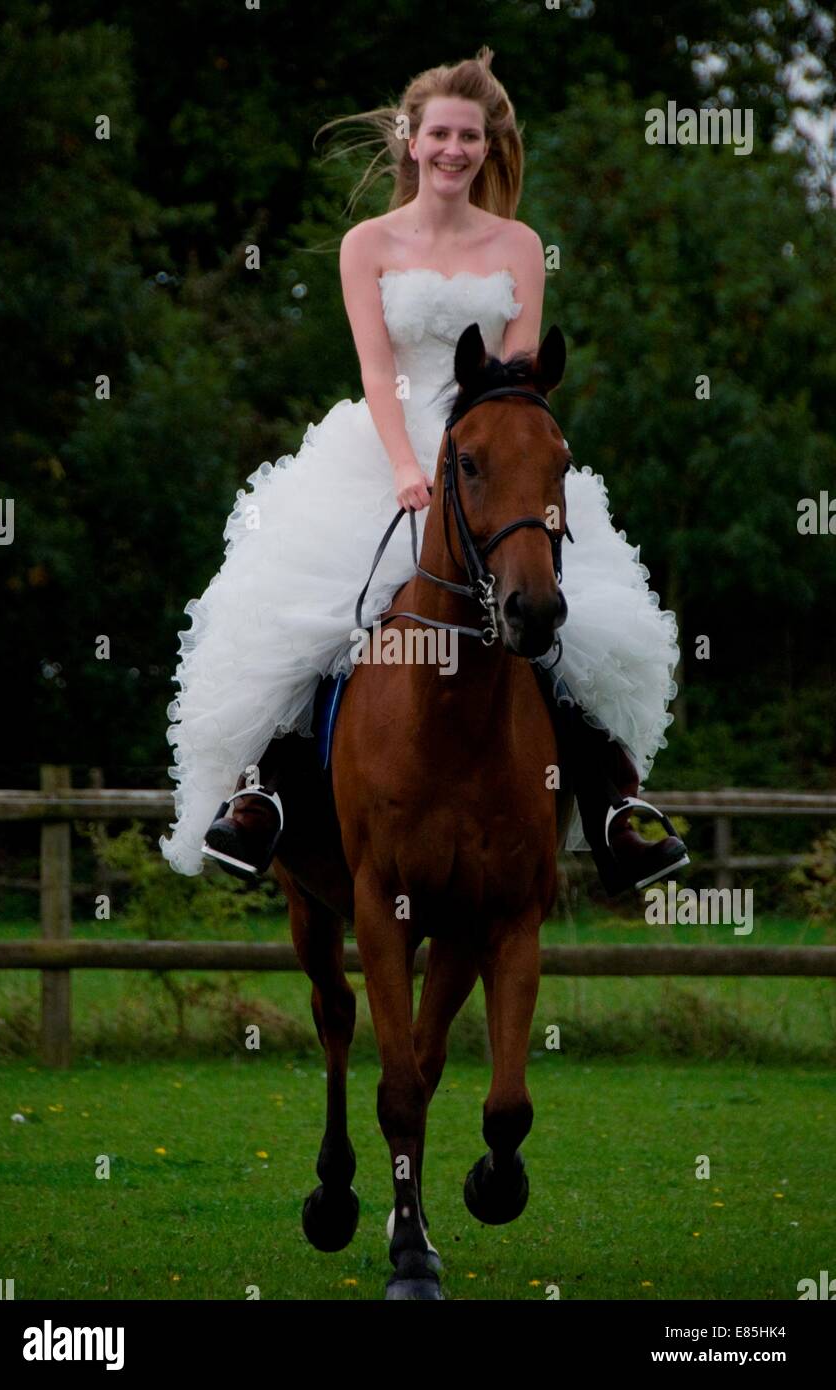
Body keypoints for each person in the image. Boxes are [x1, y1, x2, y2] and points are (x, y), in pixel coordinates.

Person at [160, 46, 689, 897]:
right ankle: (262, 799)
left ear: (487, 147)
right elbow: (376, 371)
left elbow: (517, 382)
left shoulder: (519, 244)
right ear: (411, 141)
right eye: (439, 133)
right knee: (312, 618)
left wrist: (501, 469)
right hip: (387, 450)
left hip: (495, 458)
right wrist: (410, 465)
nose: (453, 149)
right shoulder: (367, 243)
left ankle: (615, 804)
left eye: (469, 136)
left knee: (575, 623)